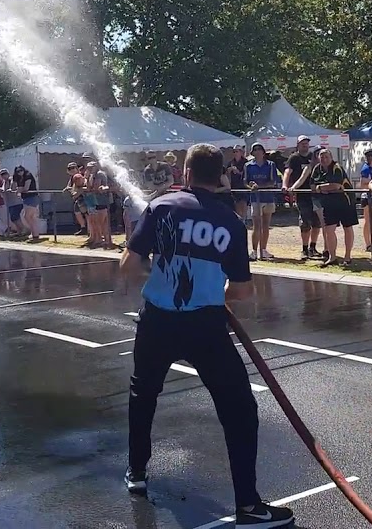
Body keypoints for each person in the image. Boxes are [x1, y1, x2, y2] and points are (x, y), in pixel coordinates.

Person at [119, 143, 294, 529]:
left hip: (157, 321)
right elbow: (244, 290)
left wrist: (161, 278)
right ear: (220, 177)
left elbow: (128, 265)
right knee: (239, 410)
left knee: (143, 392)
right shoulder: (230, 221)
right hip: (206, 325)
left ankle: (137, 472)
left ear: (185, 171)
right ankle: (248, 506)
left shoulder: (162, 206)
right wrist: (213, 294)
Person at [310, 148, 355, 266]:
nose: (324, 159)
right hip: (329, 203)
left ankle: (348, 256)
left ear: (331, 158)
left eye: (326, 157)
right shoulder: (316, 169)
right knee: (329, 229)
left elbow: (336, 185)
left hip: (345, 201)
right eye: (322, 157)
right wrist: (322, 188)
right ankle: (332, 257)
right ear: (318, 158)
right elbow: (312, 186)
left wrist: (320, 188)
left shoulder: (337, 168)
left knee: (347, 228)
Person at [283, 136, 320, 259]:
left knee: (317, 222)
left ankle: (313, 247)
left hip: (316, 194)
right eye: (303, 143)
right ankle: (304, 249)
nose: (305, 145)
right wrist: (285, 185)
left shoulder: (313, 157)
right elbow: (288, 172)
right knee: (305, 222)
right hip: (302, 193)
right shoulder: (294, 158)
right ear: (298, 145)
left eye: (307, 143)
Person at [243, 143, 280, 260]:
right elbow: (245, 181)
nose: (258, 151)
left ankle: (263, 250)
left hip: (268, 197)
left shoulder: (270, 165)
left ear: (264, 152)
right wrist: (251, 186)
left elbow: (273, 181)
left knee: (266, 225)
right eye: (255, 150)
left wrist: (260, 185)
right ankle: (254, 251)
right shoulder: (248, 166)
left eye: (260, 149)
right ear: (252, 152)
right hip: (255, 199)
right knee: (256, 225)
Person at [14, 166, 42, 241]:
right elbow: (18, 187)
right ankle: (34, 234)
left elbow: (26, 188)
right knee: (31, 217)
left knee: (27, 216)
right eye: (18, 172)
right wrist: (19, 190)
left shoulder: (28, 175)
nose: (20, 173)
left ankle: (35, 234)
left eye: (21, 171)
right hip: (26, 198)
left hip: (31, 198)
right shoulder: (21, 178)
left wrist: (19, 190)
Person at [227, 145, 249, 221]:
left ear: (241, 152)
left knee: (243, 204)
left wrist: (238, 172)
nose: (235, 153)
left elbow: (247, 174)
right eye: (234, 151)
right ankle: (240, 221)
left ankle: (244, 220)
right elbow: (226, 175)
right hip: (234, 187)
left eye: (237, 151)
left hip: (243, 186)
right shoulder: (231, 162)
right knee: (237, 206)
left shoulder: (246, 162)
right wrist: (229, 171)